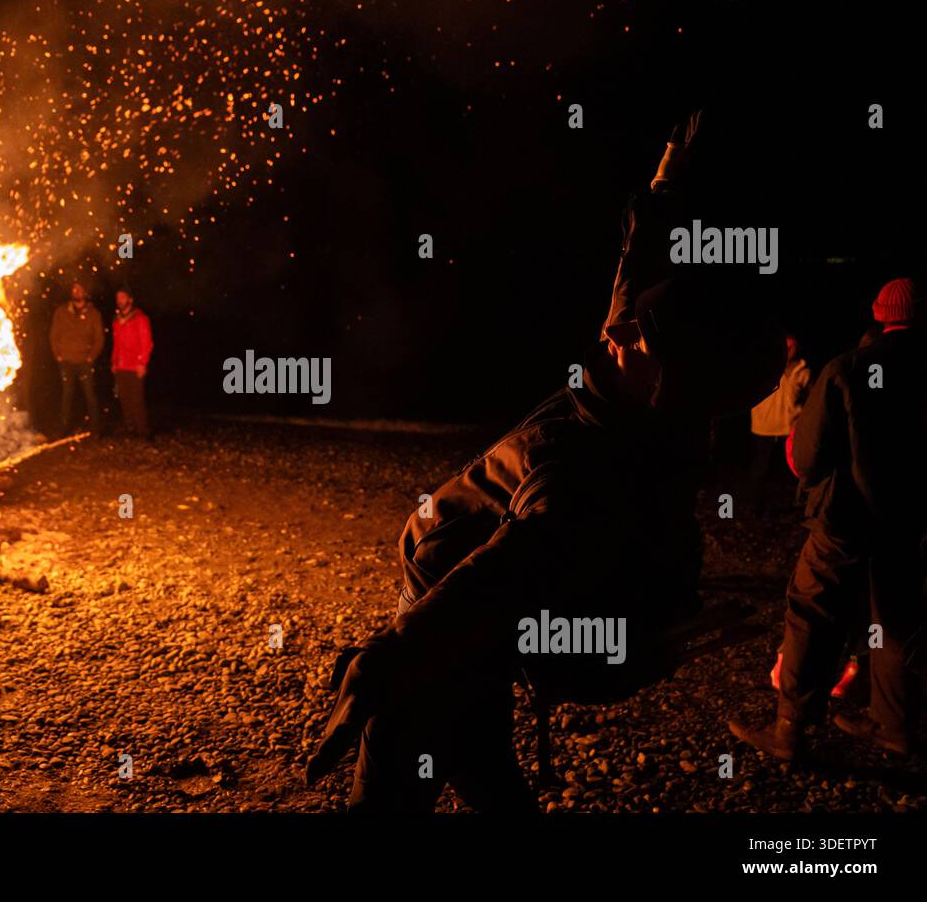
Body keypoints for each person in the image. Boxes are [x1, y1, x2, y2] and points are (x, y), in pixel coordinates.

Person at [307, 276, 783, 811]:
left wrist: (387, 656)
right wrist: (663, 196)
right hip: (474, 637)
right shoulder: (652, 402)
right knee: (481, 757)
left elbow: (502, 574)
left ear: (671, 378)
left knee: (397, 783)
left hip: (449, 628)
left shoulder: (582, 470)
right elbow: (638, 301)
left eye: (640, 335)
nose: (617, 330)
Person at [731, 278, 926, 759]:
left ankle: (790, 732)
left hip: (845, 517)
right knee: (896, 618)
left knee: (812, 614)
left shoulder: (849, 369)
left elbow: (809, 457)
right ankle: (895, 727)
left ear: (879, 314)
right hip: (911, 520)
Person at [747, 335, 811, 510]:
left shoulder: (803, 370)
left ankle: (792, 507)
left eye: (792, 346)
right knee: (761, 467)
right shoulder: (763, 368)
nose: (789, 350)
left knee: (790, 470)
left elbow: (809, 401)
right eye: (786, 346)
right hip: (764, 426)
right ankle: (755, 506)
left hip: (790, 428)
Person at [49, 281, 105, 437]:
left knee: (90, 395)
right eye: (74, 289)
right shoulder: (61, 312)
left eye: (80, 289)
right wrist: (58, 354)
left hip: (84, 362)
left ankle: (96, 429)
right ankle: (64, 428)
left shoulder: (93, 314)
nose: (77, 292)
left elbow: (99, 339)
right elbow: (54, 335)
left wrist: (91, 357)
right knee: (67, 396)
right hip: (66, 361)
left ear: (85, 293)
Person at [111, 286, 153, 438]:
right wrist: (114, 361)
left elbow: (146, 342)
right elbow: (116, 343)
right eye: (118, 298)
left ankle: (142, 430)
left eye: (122, 297)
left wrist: (142, 363)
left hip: (135, 366)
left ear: (130, 299)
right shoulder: (116, 320)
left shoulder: (140, 318)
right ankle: (129, 428)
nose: (119, 300)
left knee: (137, 399)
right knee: (124, 398)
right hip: (121, 365)